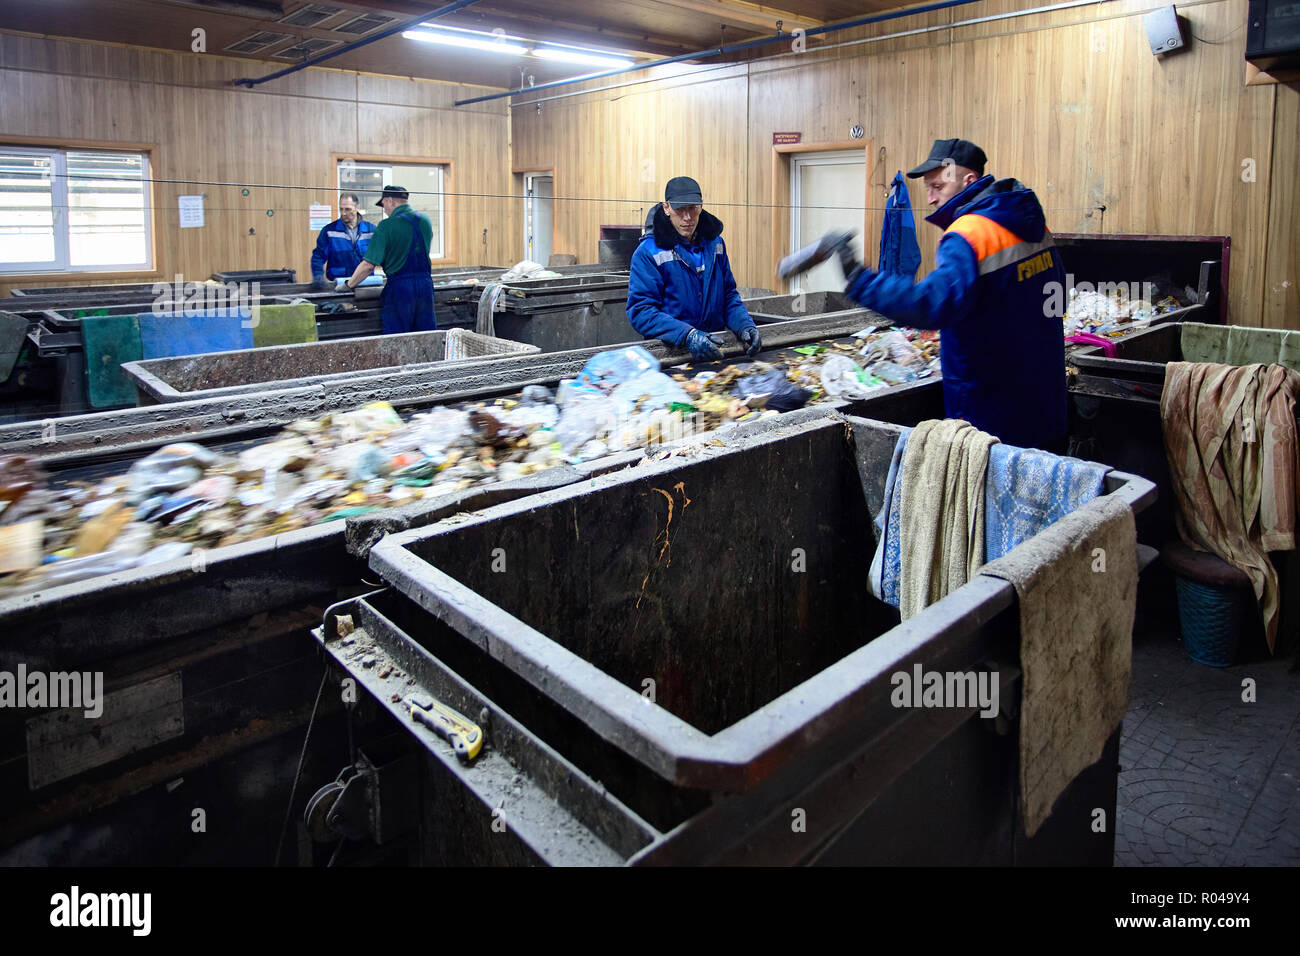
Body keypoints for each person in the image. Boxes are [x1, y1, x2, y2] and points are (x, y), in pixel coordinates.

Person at [841, 138, 1067, 452]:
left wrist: (861, 281)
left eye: (937, 187)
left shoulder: (967, 235)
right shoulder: (1036, 228)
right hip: (1046, 402)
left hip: (993, 419)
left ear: (968, 181)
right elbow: (1056, 300)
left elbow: (931, 305)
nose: (931, 199)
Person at [627, 176, 761, 362]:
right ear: (666, 208)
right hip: (671, 358)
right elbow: (641, 311)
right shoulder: (648, 253)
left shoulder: (716, 245)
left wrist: (745, 325)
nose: (687, 217)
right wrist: (687, 335)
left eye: (692, 208)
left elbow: (728, 295)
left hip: (715, 350)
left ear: (701, 206)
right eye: (679, 210)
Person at [341, 185, 436, 334]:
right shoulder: (425, 221)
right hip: (426, 288)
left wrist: (348, 284)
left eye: (384, 204)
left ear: (390, 201)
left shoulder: (386, 226)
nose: (384, 209)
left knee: (397, 339)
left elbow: (368, 265)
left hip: (400, 290)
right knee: (427, 337)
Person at [310, 193, 374, 290]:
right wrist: (318, 276)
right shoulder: (330, 231)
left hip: (365, 284)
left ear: (357, 208)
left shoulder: (371, 231)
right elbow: (318, 257)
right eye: (341, 209)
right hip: (338, 284)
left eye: (348, 209)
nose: (343, 213)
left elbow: (382, 255)